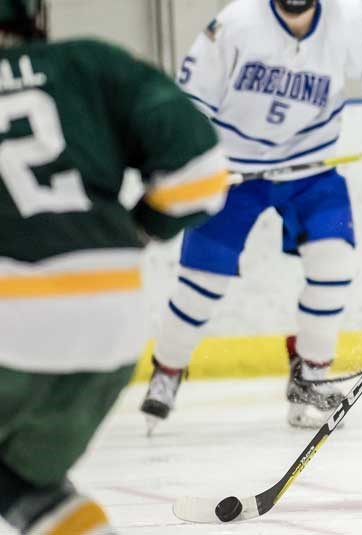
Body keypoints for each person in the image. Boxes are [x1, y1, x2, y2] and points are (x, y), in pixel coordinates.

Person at [0, 0, 230, 532]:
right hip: (112, 323)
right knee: (26, 487)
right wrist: (144, 226)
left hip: (9, 324)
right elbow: (200, 172)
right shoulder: (92, 62)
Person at [139, 0, 362, 432]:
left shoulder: (349, 20)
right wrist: (195, 164)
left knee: (334, 266)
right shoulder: (235, 23)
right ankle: (168, 370)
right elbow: (191, 98)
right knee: (201, 285)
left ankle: (310, 377)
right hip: (234, 171)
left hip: (311, 169)